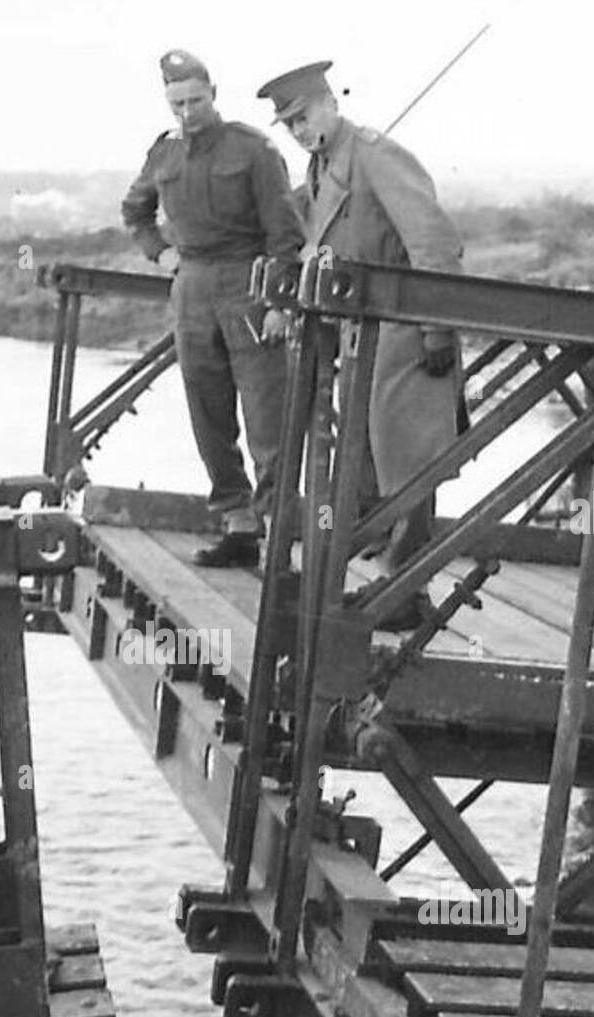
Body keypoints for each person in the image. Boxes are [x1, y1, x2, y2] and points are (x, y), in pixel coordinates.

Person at [257, 60, 464, 627]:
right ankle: (387, 582)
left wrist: (437, 329)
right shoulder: (323, 170)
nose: (300, 130)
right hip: (360, 336)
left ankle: (404, 591)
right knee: (370, 464)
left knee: (410, 463)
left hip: (404, 331)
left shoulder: (373, 155)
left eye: (304, 116)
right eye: (290, 125)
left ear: (330, 103)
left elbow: (433, 241)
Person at [122, 49, 306, 567]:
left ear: (213, 95)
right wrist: (160, 252)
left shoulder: (253, 149)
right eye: (177, 101)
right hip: (192, 290)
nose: (186, 111)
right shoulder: (164, 153)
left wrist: (279, 303)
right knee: (208, 414)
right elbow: (135, 210)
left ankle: (279, 539)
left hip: (249, 285)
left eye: (195, 100)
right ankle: (238, 523)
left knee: (267, 418)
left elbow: (284, 233)